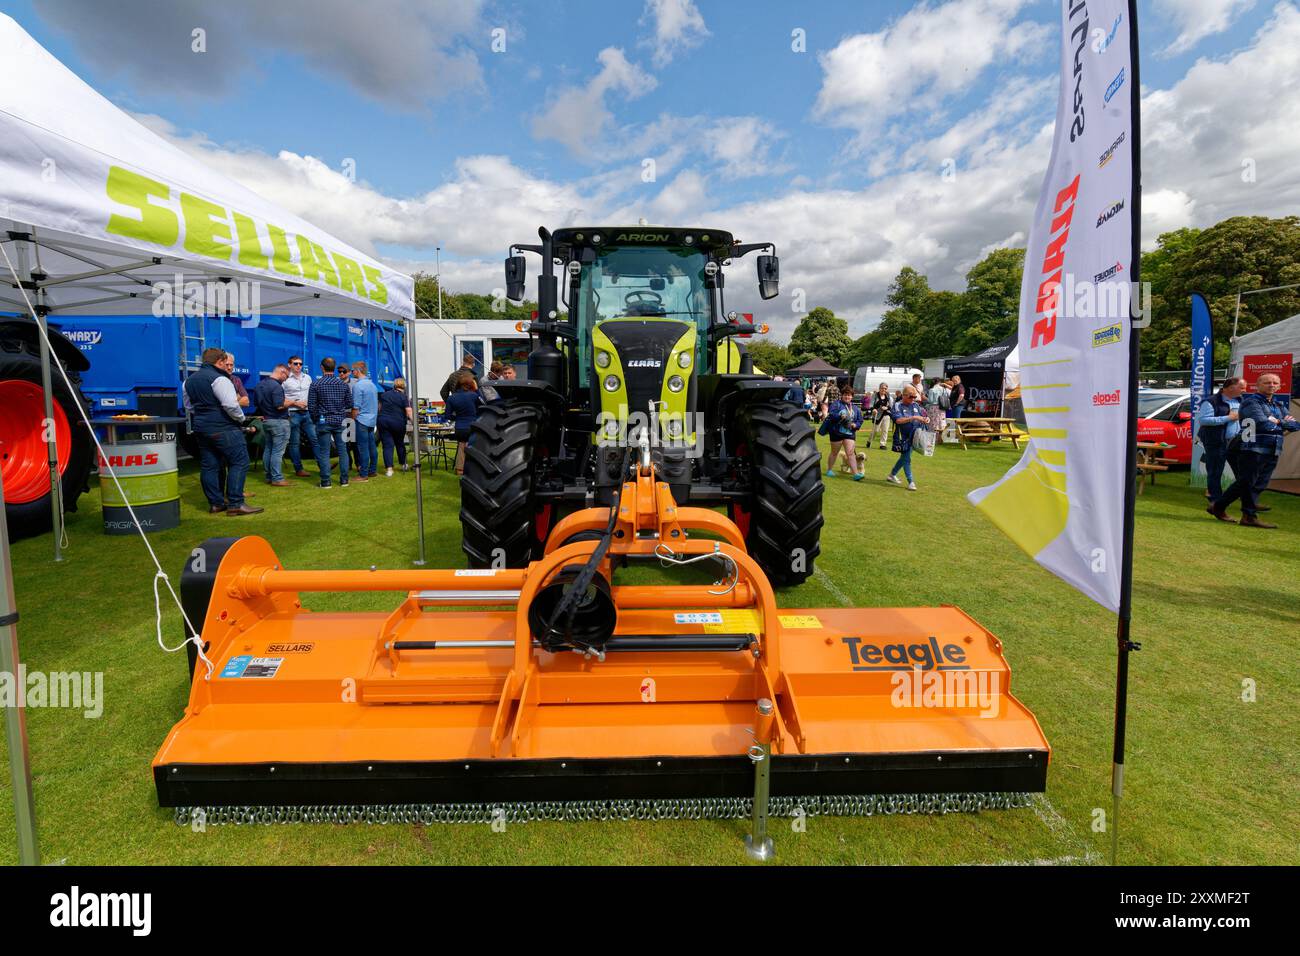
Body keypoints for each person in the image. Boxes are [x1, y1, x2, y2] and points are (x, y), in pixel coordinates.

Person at [1210, 373, 1299, 528]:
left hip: (1273, 449)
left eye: (1274, 382)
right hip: (1253, 448)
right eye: (1267, 382)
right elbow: (1262, 424)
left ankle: (1219, 507)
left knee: (1257, 483)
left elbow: (1296, 425)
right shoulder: (1251, 402)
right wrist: (1282, 422)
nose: (1271, 385)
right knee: (1248, 482)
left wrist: (1277, 421)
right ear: (1257, 385)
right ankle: (1248, 516)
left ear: (1279, 386)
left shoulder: (1278, 405)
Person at [182, 347, 262, 515]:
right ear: (219, 361)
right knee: (240, 461)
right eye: (225, 362)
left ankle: (216, 504)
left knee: (209, 465)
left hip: (201, 427)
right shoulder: (220, 379)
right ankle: (236, 503)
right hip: (223, 427)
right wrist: (241, 419)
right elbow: (231, 405)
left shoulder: (188, 381)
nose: (227, 366)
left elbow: (189, 406)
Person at [1196, 377, 1245, 503]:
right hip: (1216, 441)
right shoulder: (1211, 401)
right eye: (1242, 387)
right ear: (1231, 387)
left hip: (1235, 441)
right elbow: (1203, 420)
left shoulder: (1240, 400)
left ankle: (1247, 499)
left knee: (1243, 472)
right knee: (1215, 472)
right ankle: (1216, 501)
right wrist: (1227, 418)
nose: (1244, 390)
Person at [308, 357, 353, 488]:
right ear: (334, 368)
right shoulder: (343, 385)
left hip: (323, 421)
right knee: (342, 451)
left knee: (324, 452)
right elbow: (350, 403)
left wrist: (316, 418)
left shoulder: (316, 384)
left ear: (322, 367)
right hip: (340, 420)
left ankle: (326, 481)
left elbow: (311, 406)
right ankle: (344, 480)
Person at [252, 363, 292, 487]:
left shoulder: (260, 385)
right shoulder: (277, 387)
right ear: (282, 372)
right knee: (277, 451)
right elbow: (279, 405)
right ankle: (277, 478)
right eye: (287, 376)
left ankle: (269, 476)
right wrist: (292, 403)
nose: (286, 379)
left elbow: (257, 403)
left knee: (268, 448)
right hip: (279, 421)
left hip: (266, 420)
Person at [886, 385, 928, 491]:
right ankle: (911, 482)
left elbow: (923, 416)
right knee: (907, 459)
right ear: (904, 395)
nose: (913, 399)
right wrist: (913, 418)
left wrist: (926, 419)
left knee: (904, 457)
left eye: (914, 397)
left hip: (915, 436)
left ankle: (892, 475)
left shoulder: (916, 405)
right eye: (910, 397)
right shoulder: (897, 405)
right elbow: (898, 420)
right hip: (902, 437)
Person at [823, 384, 865, 481]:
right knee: (834, 452)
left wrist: (856, 425)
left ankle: (855, 474)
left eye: (849, 395)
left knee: (850, 453)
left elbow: (860, 420)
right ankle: (829, 470)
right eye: (845, 395)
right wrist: (839, 416)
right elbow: (831, 414)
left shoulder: (855, 408)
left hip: (850, 433)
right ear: (842, 395)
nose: (847, 397)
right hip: (836, 433)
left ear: (852, 396)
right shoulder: (836, 404)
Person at [283, 355, 315, 478]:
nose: (298, 366)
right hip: (293, 413)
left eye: (300, 364)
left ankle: (323, 465)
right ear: (289, 364)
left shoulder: (308, 378)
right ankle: (298, 469)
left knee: (315, 440)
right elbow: (280, 398)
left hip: (307, 413)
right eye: (296, 363)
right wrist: (295, 403)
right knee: (294, 443)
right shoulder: (286, 379)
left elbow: (312, 393)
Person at [445, 370, 482, 475]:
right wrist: (477, 390)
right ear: (471, 384)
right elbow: (483, 404)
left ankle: (460, 469)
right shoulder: (474, 396)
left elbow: (447, 416)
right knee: (475, 448)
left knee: (462, 447)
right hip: (473, 426)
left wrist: (458, 418)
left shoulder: (451, 398)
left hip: (460, 428)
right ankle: (474, 469)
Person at [349, 361, 380, 481]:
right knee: (372, 446)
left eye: (352, 370)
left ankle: (363, 474)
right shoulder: (372, 384)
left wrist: (353, 418)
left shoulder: (358, 386)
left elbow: (356, 406)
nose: (352, 373)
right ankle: (372, 471)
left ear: (358, 371)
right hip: (372, 420)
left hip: (361, 420)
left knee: (363, 448)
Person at [377, 377, 413, 476]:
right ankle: (403, 464)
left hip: (383, 421)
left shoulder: (384, 394)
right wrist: (414, 422)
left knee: (387, 445)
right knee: (400, 444)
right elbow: (409, 411)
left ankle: (389, 469)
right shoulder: (403, 397)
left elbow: (379, 408)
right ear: (404, 386)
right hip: (398, 422)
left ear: (394, 385)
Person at [869, 383, 893, 449]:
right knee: (875, 430)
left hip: (886, 414)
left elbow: (891, 405)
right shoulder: (875, 395)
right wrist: (873, 409)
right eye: (882, 388)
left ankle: (883, 444)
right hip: (877, 414)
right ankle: (869, 441)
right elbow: (871, 404)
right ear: (879, 388)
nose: (884, 389)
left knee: (885, 430)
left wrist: (887, 408)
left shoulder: (888, 395)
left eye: (885, 388)